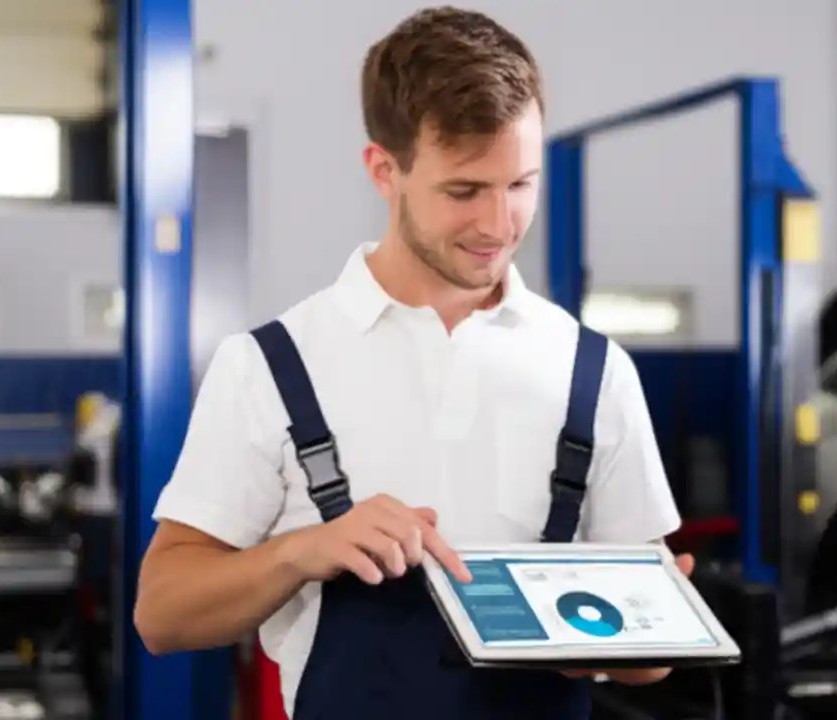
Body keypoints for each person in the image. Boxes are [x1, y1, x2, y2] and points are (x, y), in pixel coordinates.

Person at [133, 7, 687, 718]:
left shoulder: (594, 371)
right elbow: (162, 614)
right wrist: (303, 551)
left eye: (520, 185)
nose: (497, 225)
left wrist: (627, 637)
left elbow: (651, 659)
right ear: (383, 170)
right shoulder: (270, 367)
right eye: (463, 191)